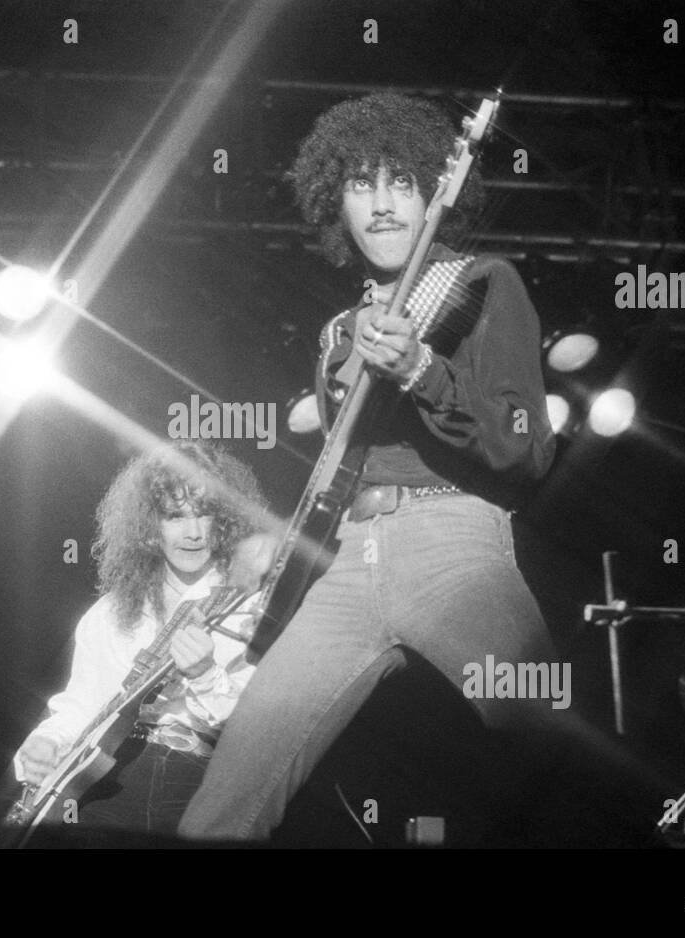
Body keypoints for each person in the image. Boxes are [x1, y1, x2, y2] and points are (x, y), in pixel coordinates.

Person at [179, 92, 559, 842]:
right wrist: (272, 544)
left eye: (401, 184)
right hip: (344, 564)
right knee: (222, 806)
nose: (382, 205)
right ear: (335, 204)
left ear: (434, 197)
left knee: (554, 746)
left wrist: (424, 370)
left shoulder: (482, 282)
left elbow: (528, 450)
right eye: (361, 184)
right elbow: (331, 472)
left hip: (454, 542)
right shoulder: (334, 336)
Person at [12, 440, 267, 836]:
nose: (194, 532)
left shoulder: (246, 603)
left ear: (226, 522)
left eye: (206, 514)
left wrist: (204, 675)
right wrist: (45, 743)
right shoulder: (110, 611)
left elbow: (261, 729)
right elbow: (81, 707)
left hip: (194, 776)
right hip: (103, 779)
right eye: (176, 516)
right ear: (149, 527)